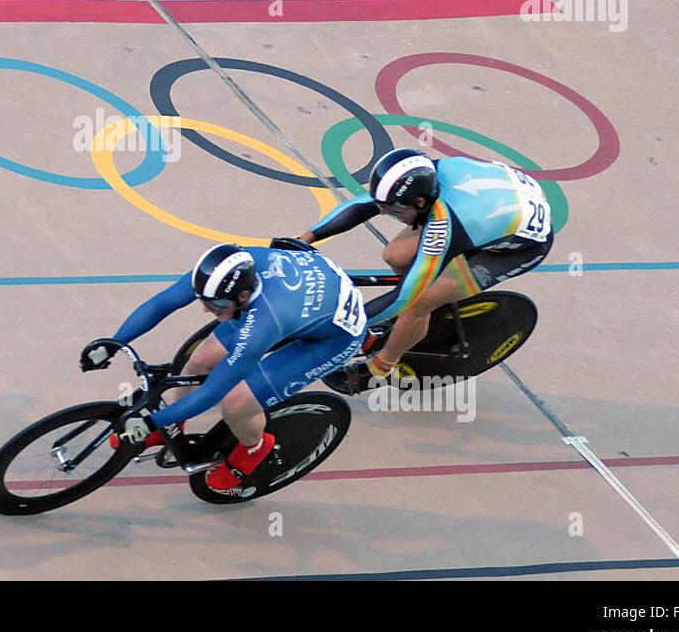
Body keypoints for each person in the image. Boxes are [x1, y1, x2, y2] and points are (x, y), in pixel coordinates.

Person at [85, 241, 369, 495]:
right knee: (198, 361)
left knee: (236, 404)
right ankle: (173, 425)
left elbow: (212, 392)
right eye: (204, 301)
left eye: (217, 304)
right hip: (299, 299)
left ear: (244, 295)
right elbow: (164, 302)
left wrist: (150, 422)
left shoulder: (265, 322)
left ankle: (255, 448)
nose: (207, 310)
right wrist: (112, 343)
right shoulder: (223, 271)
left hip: (333, 337)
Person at [293, 148, 554, 394]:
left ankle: (383, 368)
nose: (384, 213)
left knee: (418, 301)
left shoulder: (448, 224)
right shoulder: (427, 175)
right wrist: (304, 239)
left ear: (419, 201)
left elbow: (405, 297)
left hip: (516, 249)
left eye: (393, 210)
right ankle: (416, 323)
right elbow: (365, 205)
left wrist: (341, 324)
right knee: (395, 255)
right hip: (494, 208)